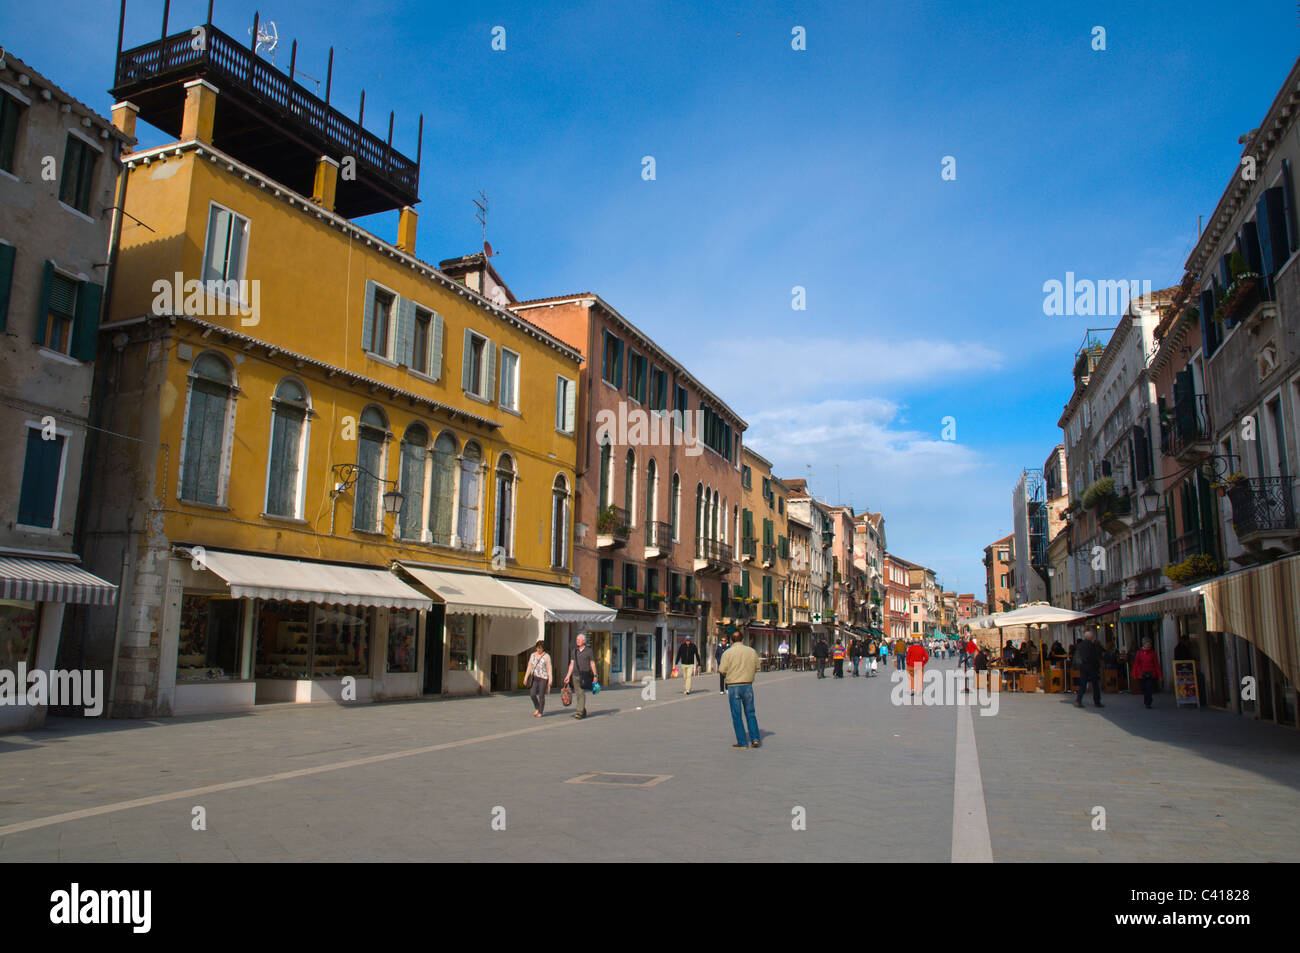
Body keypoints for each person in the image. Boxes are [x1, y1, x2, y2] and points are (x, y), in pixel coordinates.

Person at [719, 633, 762, 748]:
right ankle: (755, 738)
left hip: (733, 686)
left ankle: (742, 742)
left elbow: (722, 670)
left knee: (736, 715)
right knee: (750, 713)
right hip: (747, 685)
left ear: (731, 641)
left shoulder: (727, 653)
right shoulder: (751, 651)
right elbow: (758, 667)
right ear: (743, 640)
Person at [563, 633, 598, 719]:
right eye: (577, 639)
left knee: (581, 692)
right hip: (575, 675)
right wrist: (568, 676)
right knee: (578, 693)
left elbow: (592, 663)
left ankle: (579, 711)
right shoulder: (574, 651)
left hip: (585, 675)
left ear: (584, 641)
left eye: (579, 640)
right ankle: (582, 710)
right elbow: (571, 664)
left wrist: (595, 675)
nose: (577, 641)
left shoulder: (589, 651)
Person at [1074, 632, 1103, 708]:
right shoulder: (1092, 645)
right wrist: (1098, 666)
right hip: (1091, 667)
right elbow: (1095, 657)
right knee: (1095, 684)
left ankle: (1078, 700)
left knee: (1083, 684)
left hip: (1082, 667)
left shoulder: (1080, 645)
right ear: (1091, 638)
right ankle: (1097, 701)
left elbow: (1077, 656)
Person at [526, 640, 552, 717]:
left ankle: (540, 711)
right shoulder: (532, 655)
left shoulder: (547, 656)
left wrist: (550, 680)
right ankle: (537, 707)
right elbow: (529, 666)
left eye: (540, 648)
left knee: (541, 695)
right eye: (537, 648)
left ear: (543, 648)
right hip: (535, 677)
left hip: (543, 678)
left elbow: (549, 669)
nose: (538, 650)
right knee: (532, 694)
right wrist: (526, 677)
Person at [1132, 637, 1160, 709]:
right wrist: (1134, 674)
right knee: (1143, 688)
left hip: (1151, 673)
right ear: (1144, 645)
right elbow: (1136, 664)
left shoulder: (1152, 653)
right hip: (1142, 674)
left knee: (1149, 687)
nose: (1148, 646)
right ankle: (1147, 699)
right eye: (1147, 644)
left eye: (1149, 644)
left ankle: (1148, 702)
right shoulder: (1139, 653)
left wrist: (1159, 675)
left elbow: (1156, 664)